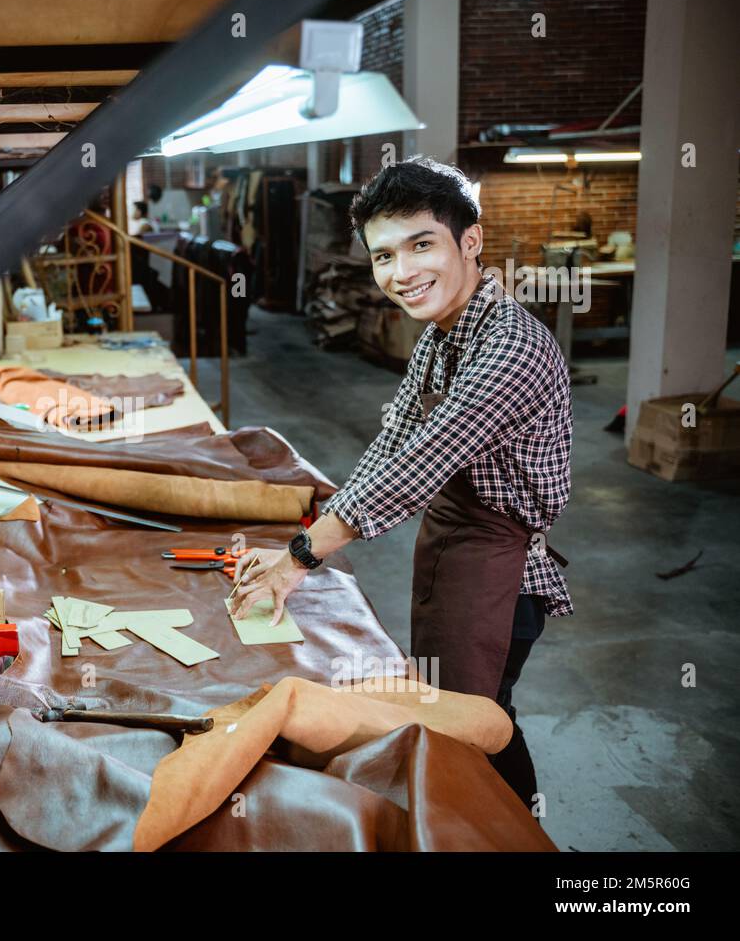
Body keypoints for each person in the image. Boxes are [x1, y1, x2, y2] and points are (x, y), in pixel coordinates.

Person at [229, 156, 573, 810]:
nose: (401, 274)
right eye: (384, 256)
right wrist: (306, 532)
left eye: (421, 245)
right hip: (452, 550)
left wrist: (298, 560)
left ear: (469, 241)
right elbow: (391, 448)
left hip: (501, 569)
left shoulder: (509, 349)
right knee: (459, 715)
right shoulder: (440, 338)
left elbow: (413, 472)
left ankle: (512, 830)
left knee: (472, 727)